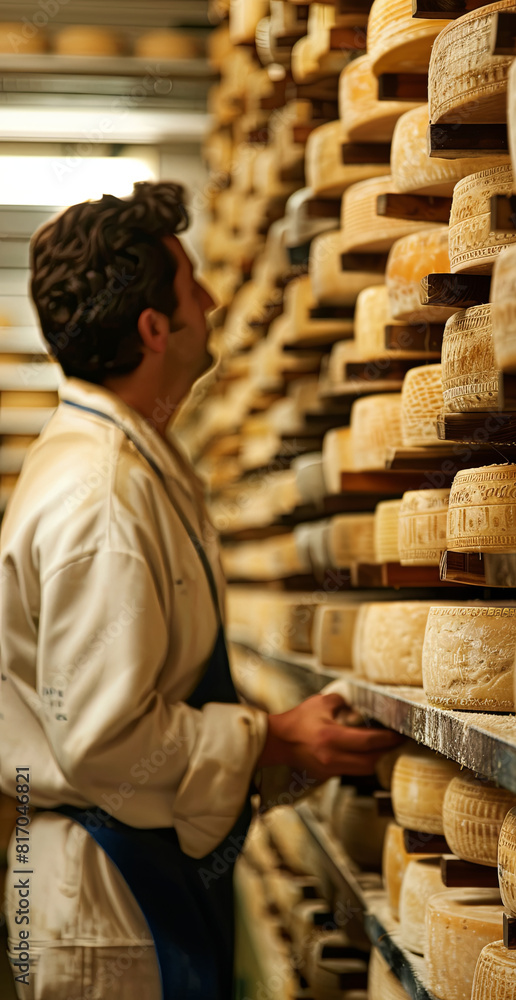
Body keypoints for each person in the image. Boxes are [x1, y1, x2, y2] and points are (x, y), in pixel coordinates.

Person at [0, 182, 401, 1000]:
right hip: (109, 900)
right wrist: (271, 737)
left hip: (127, 872)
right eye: (193, 285)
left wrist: (281, 753)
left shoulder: (126, 460)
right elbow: (105, 742)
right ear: (155, 329)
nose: (215, 301)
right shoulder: (101, 494)